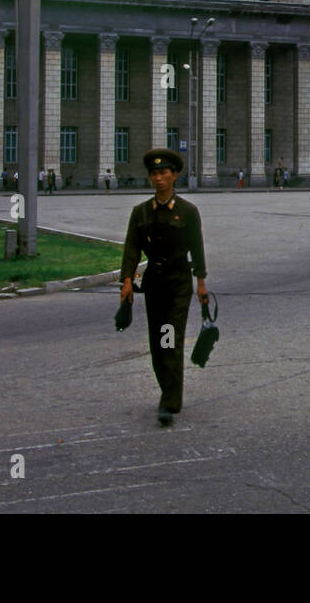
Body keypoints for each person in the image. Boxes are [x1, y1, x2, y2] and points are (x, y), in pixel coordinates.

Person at [119, 148, 208, 427]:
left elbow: (197, 249)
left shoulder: (188, 212)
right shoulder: (141, 212)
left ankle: (169, 400)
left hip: (179, 284)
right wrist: (126, 282)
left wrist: (201, 282)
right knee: (157, 342)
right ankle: (168, 391)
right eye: (154, 174)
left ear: (175, 176)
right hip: (154, 285)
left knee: (170, 337)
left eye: (164, 173)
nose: (159, 179)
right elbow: (131, 249)